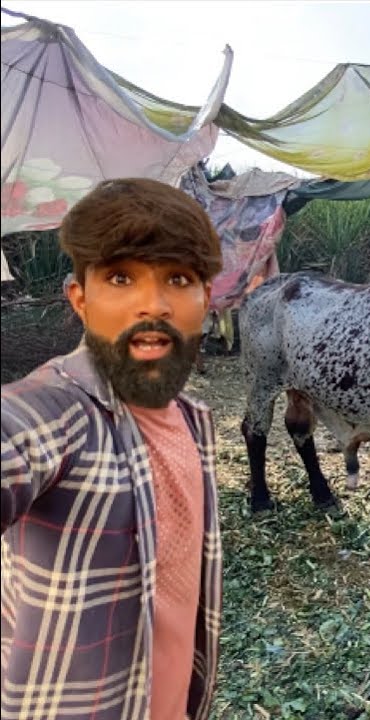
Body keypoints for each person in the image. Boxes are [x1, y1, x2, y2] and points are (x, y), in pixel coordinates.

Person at [1, 178, 224, 720]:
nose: (153, 304)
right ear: (80, 298)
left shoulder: (194, 421)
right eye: (121, 277)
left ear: (206, 300)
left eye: (178, 278)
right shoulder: (54, 413)